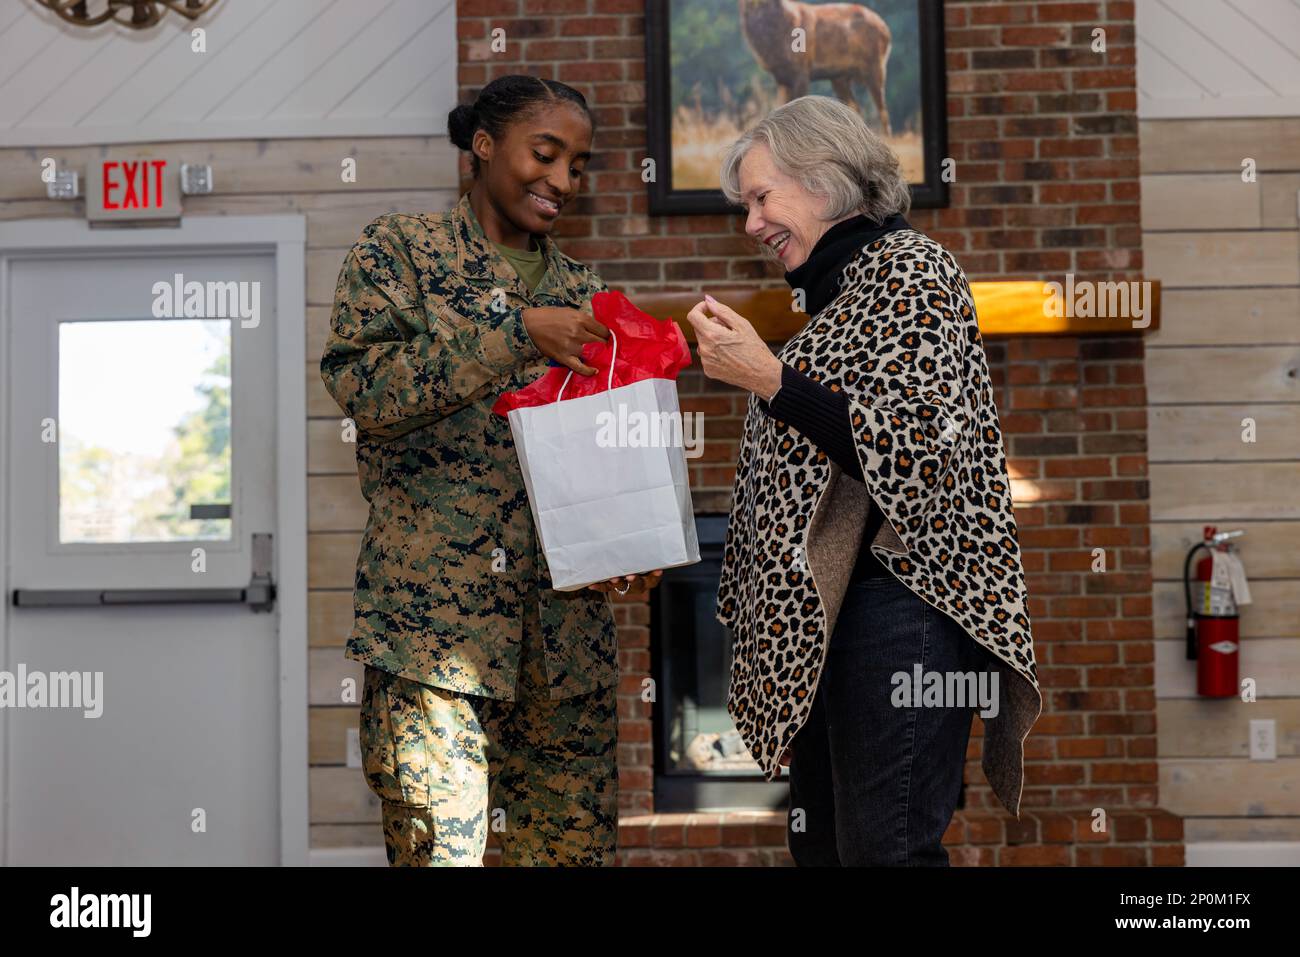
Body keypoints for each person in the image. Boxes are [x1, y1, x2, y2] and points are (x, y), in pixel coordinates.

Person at [683, 95, 1043, 866]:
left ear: (825, 179)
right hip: (835, 623)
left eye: (760, 197)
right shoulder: (836, 301)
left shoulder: (913, 268)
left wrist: (773, 379)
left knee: (887, 853)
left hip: (901, 607)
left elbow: (913, 451)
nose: (751, 224)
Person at [320, 74, 659, 866]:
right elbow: (365, 391)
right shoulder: (397, 251)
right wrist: (514, 333)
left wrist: (629, 549)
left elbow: (612, 459)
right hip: (433, 646)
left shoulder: (587, 295)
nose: (563, 181)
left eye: (578, 165)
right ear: (482, 145)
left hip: (564, 653)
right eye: (545, 154)